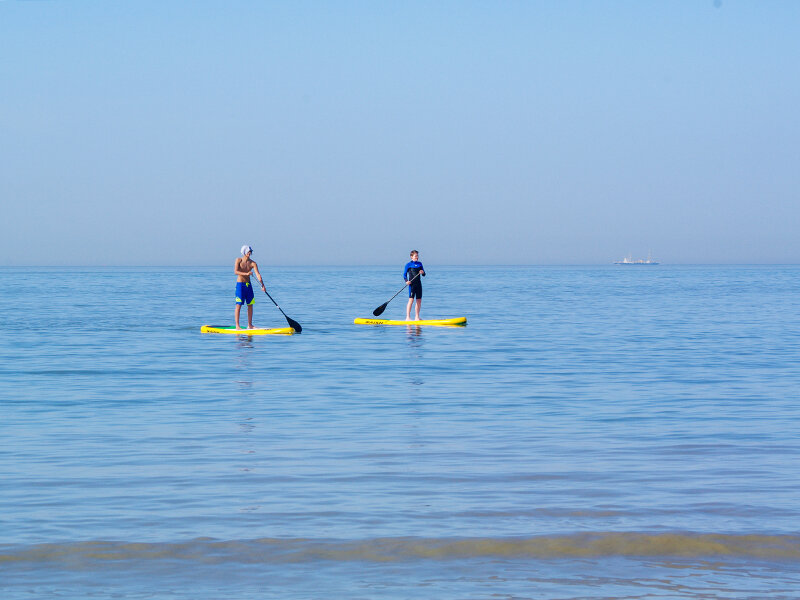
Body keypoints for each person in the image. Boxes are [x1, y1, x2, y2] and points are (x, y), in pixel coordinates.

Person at [234, 245, 266, 329]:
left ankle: (250, 325)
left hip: (248, 286)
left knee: (250, 304)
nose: (250, 253)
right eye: (248, 251)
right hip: (240, 285)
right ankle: (237, 325)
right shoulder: (238, 260)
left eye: (250, 251)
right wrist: (246, 274)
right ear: (244, 252)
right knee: (239, 304)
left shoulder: (253, 263)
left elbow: (258, 274)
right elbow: (236, 271)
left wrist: (263, 285)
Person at [403, 250, 425, 320]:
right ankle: (408, 317)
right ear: (411, 257)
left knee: (419, 301)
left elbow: (424, 274)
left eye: (417, 256)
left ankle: (417, 317)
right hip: (412, 285)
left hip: (418, 284)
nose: (417, 257)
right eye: (415, 256)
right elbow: (404, 275)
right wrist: (406, 281)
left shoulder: (420, 264)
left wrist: (422, 272)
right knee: (411, 300)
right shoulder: (408, 265)